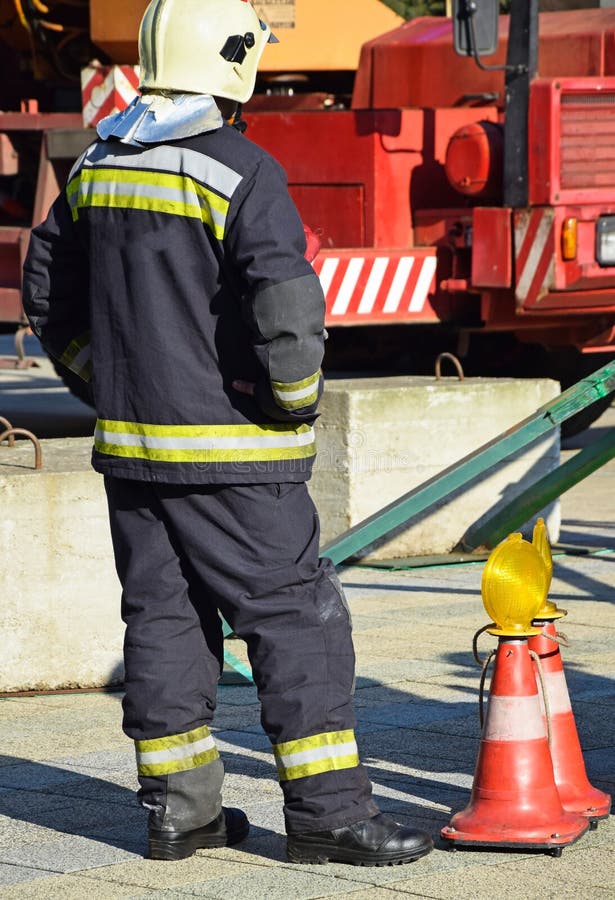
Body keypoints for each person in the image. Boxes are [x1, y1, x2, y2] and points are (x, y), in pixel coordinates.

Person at [22, 0, 434, 867]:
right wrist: (289, 403)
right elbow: (285, 305)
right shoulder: (241, 168)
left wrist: (103, 381)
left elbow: (46, 284)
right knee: (297, 621)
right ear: (234, 63)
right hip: (238, 456)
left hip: (134, 453)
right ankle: (329, 818)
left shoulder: (100, 163)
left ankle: (180, 813)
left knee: (164, 621)